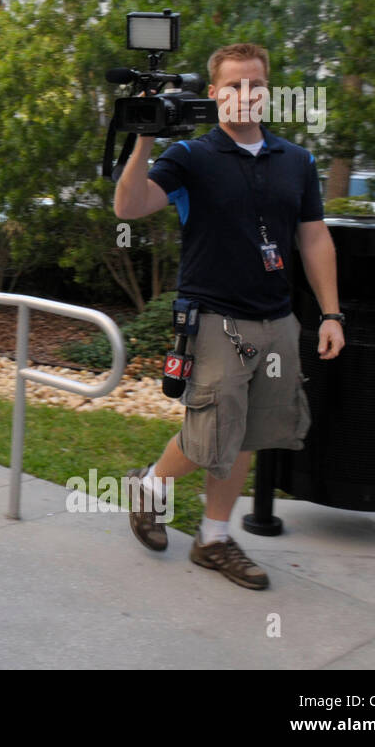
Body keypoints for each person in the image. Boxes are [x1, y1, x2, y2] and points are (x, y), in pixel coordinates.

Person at [113, 42, 345, 589]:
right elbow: (129, 206)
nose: (245, 95)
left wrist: (331, 313)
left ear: (268, 90)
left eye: (255, 85)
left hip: (278, 319)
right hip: (215, 318)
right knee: (211, 432)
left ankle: (213, 538)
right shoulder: (192, 157)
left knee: (247, 436)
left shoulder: (297, 161)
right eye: (234, 86)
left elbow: (313, 239)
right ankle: (148, 485)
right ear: (214, 93)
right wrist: (146, 135)